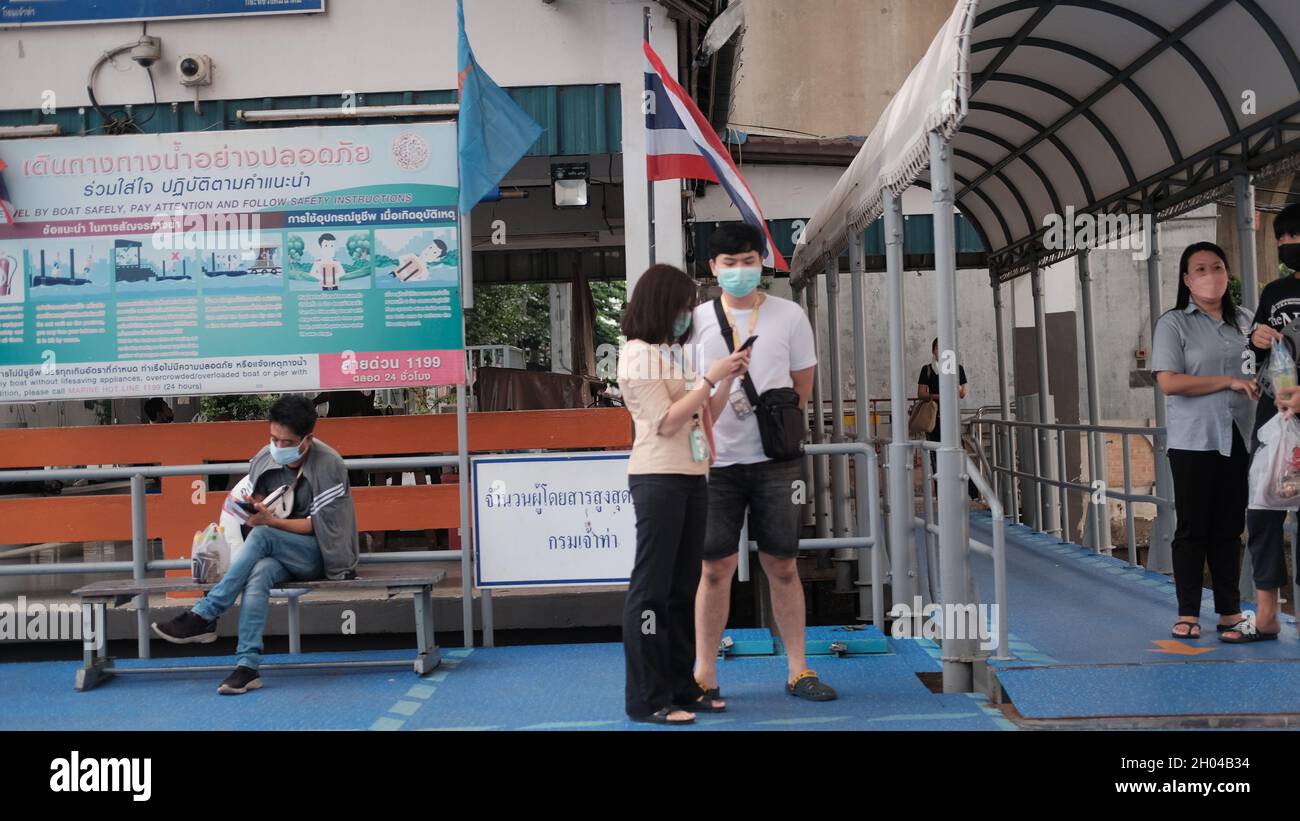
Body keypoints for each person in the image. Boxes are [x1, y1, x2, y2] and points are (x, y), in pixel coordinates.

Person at [689, 223, 837, 702]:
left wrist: (773, 426)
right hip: (715, 464)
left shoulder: (789, 316)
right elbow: (691, 394)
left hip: (776, 462)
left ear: (762, 262)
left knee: (784, 565)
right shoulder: (696, 321)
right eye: (729, 263)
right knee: (714, 569)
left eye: (748, 260)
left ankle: (799, 670)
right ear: (713, 268)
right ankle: (703, 673)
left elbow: (802, 385)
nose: (739, 271)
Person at [152, 395, 360, 693]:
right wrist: (255, 509)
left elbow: (322, 527)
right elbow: (255, 501)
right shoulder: (266, 457)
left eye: (286, 442)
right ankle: (247, 666)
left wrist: (270, 522)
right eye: (273, 438)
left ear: (307, 440)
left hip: (319, 553)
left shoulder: (329, 465)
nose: (278, 447)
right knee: (260, 571)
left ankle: (205, 614)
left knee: (263, 535)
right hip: (278, 552)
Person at [617, 263, 749, 725]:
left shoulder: (668, 354)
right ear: (661, 304)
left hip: (692, 475)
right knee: (651, 589)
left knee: (680, 587)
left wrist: (727, 375)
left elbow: (702, 411)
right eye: (682, 305)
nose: (687, 314)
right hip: (658, 477)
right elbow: (667, 420)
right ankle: (647, 696)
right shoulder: (636, 355)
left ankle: (679, 685)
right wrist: (710, 379)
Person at [1151, 241, 1256, 641]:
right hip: (1194, 440)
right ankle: (1188, 613)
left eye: (1217, 267)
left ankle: (1230, 612)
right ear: (1187, 280)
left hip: (1240, 437)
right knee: (1193, 528)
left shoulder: (1247, 322)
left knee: (1229, 528)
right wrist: (1228, 381)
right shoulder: (1174, 323)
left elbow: (1264, 370)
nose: (1210, 276)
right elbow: (1169, 382)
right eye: (1200, 269)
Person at [1242, 203, 1300, 642]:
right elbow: (1252, 357)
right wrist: (1255, 338)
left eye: (1295, 235)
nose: (1287, 244)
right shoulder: (1274, 291)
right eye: (1282, 238)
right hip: (1271, 422)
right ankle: (1266, 615)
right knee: (1262, 511)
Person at [917, 338, 977, 499]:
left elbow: (963, 392)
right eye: (938, 348)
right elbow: (921, 393)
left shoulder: (957, 369)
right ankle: (942, 493)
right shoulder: (927, 369)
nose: (941, 352)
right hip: (934, 419)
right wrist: (940, 395)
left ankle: (969, 492)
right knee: (936, 455)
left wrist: (952, 389)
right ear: (933, 351)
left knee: (959, 453)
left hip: (951, 419)